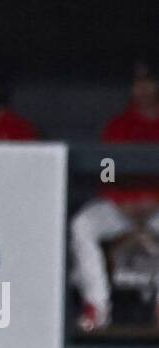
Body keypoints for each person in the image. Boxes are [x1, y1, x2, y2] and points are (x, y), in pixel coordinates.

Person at [70, 60, 159, 332]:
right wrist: (122, 201)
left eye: (149, 82)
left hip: (156, 208)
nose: (143, 89)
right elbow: (105, 174)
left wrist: (151, 200)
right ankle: (97, 307)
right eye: (138, 83)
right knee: (82, 225)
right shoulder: (119, 126)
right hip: (123, 208)